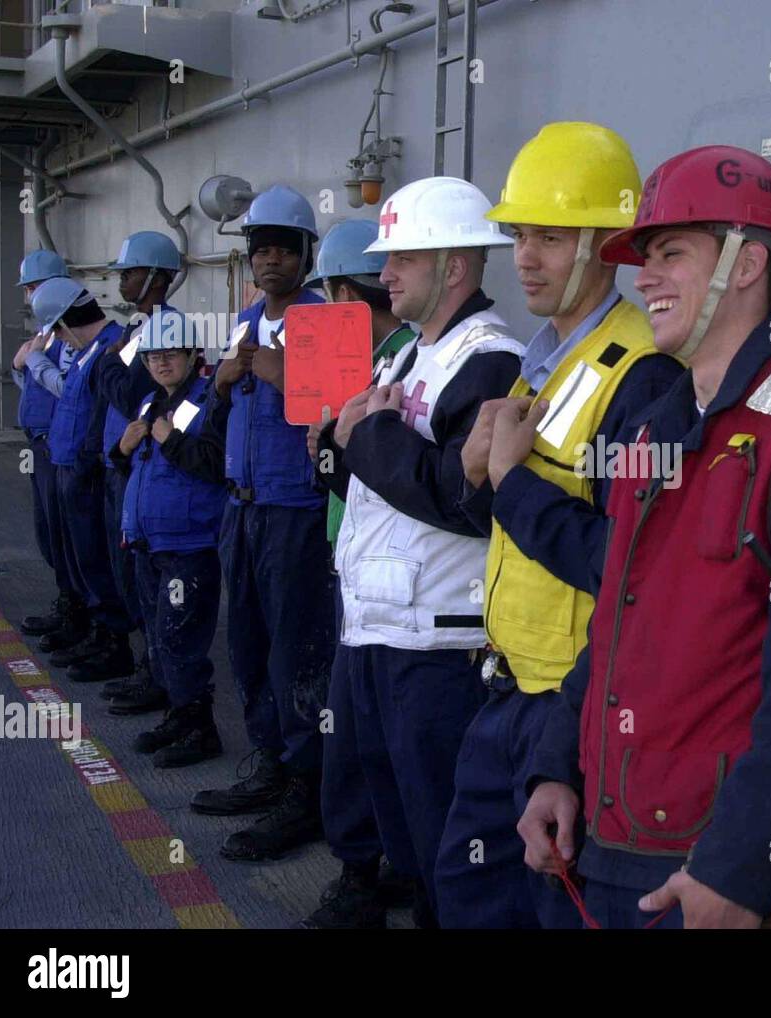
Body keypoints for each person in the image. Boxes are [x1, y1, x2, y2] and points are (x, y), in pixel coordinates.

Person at [515, 145, 771, 929]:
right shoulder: (658, 427)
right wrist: (558, 767)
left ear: (749, 262)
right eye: (643, 258)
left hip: (714, 875)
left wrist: (741, 870)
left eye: (670, 255)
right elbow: (615, 621)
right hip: (605, 848)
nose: (644, 277)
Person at [434, 122, 685, 928]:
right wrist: (478, 481)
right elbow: (511, 525)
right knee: (469, 892)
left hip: (570, 704)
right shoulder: (543, 359)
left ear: (608, 245)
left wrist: (507, 483)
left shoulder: (645, 373)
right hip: (507, 685)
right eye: (518, 236)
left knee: (547, 906)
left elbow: (627, 562)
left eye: (551, 236)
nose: (526, 258)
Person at [310, 178, 525, 928]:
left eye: (402, 258)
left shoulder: (491, 361)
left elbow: (468, 502)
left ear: (455, 267)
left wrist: (367, 436)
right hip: (377, 627)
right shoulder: (407, 357)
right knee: (403, 830)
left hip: (439, 648)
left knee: (450, 847)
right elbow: (377, 471)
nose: (385, 274)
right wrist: (335, 449)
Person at [190, 185, 335, 863]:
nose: (271, 259)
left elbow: (341, 423)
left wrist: (288, 371)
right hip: (241, 510)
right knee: (246, 643)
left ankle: (306, 788)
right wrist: (220, 386)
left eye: (284, 247)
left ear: (306, 254)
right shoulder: (245, 320)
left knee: (296, 652)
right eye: (261, 248)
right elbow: (219, 421)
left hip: (296, 516)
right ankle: (271, 763)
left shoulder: (326, 323)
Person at [299, 215, 421, 929]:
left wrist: (339, 449)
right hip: (362, 567)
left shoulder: (403, 361)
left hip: (393, 586)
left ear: (346, 291)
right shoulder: (382, 361)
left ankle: (368, 875)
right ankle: (371, 867)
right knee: (358, 735)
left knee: (364, 738)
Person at [110, 308, 227, 766]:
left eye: (170, 355)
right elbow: (136, 466)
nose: (160, 363)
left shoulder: (209, 401)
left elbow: (216, 465)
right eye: (153, 356)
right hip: (148, 542)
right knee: (159, 636)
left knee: (182, 639)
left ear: (193, 356)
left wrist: (169, 438)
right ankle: (179, 716)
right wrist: (119, 451)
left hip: (188, 545)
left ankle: (200, 729)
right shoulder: (149, 404)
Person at [88, 231, 182, 698]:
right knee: (126, 571)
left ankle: (157, 674)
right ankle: (147, 664)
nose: (123, 279)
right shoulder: (133, 330)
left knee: (145, 576)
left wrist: (105, 365)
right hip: (119, 464)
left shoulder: (165, 328)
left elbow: (126, 396)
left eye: (131, 271)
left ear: (157, 278)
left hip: (140, 471)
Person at [29, 278, 133, 679]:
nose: (58, 339)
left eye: (56, 329)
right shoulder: (88, 350)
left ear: (66, 322)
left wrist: (88, 464)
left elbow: (102, 414)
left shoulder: (110, 347)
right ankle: (93, 627)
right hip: (70, 465)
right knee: (79, 557)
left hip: (87, 471)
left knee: (97, 559)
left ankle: (112, 641)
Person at [11, 249, 76, 642]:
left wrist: (33, 362)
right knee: (48, 530)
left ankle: (75, 608)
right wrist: (23, 368)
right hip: (38, 444)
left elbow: (69, 390)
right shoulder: (45, 334)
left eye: (35, 287)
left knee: (65, 532)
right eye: (29, 289)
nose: (31, 297)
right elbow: (37, 385)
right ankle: (66, 600)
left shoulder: (66, 334)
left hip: (58, 446)